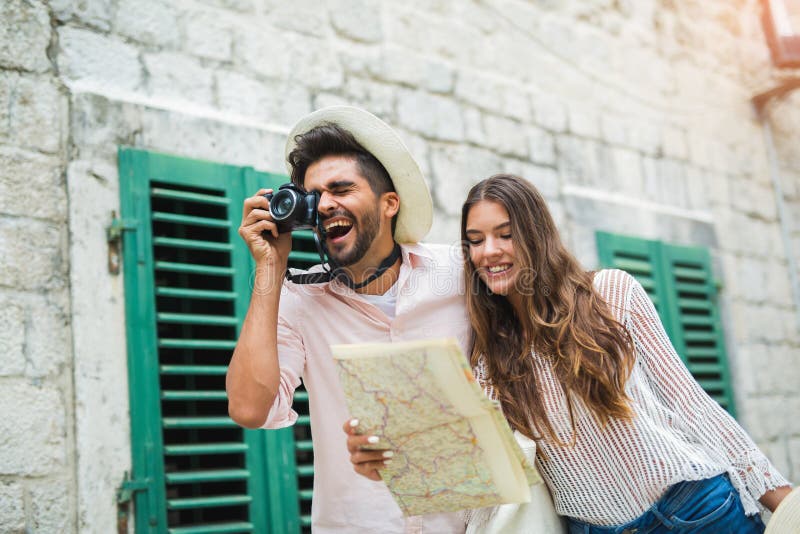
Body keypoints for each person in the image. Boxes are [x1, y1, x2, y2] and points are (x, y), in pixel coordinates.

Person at [350, 173, 792, 533]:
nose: (490, 252)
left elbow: (689, 402)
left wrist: (780, 497)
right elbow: (481, 465)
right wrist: (390, 455)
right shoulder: (490, 358)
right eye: (476, 240)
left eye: (505, 234)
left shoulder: (612, 293)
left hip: (695, 511)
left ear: (536, 235)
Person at [225, 106, 473, 533]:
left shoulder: (461, 275)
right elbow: (248, 408)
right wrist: (270, 270)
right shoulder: (298, 299)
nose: (324, 205)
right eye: (313, 195)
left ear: (389, 202)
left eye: (341, 188)